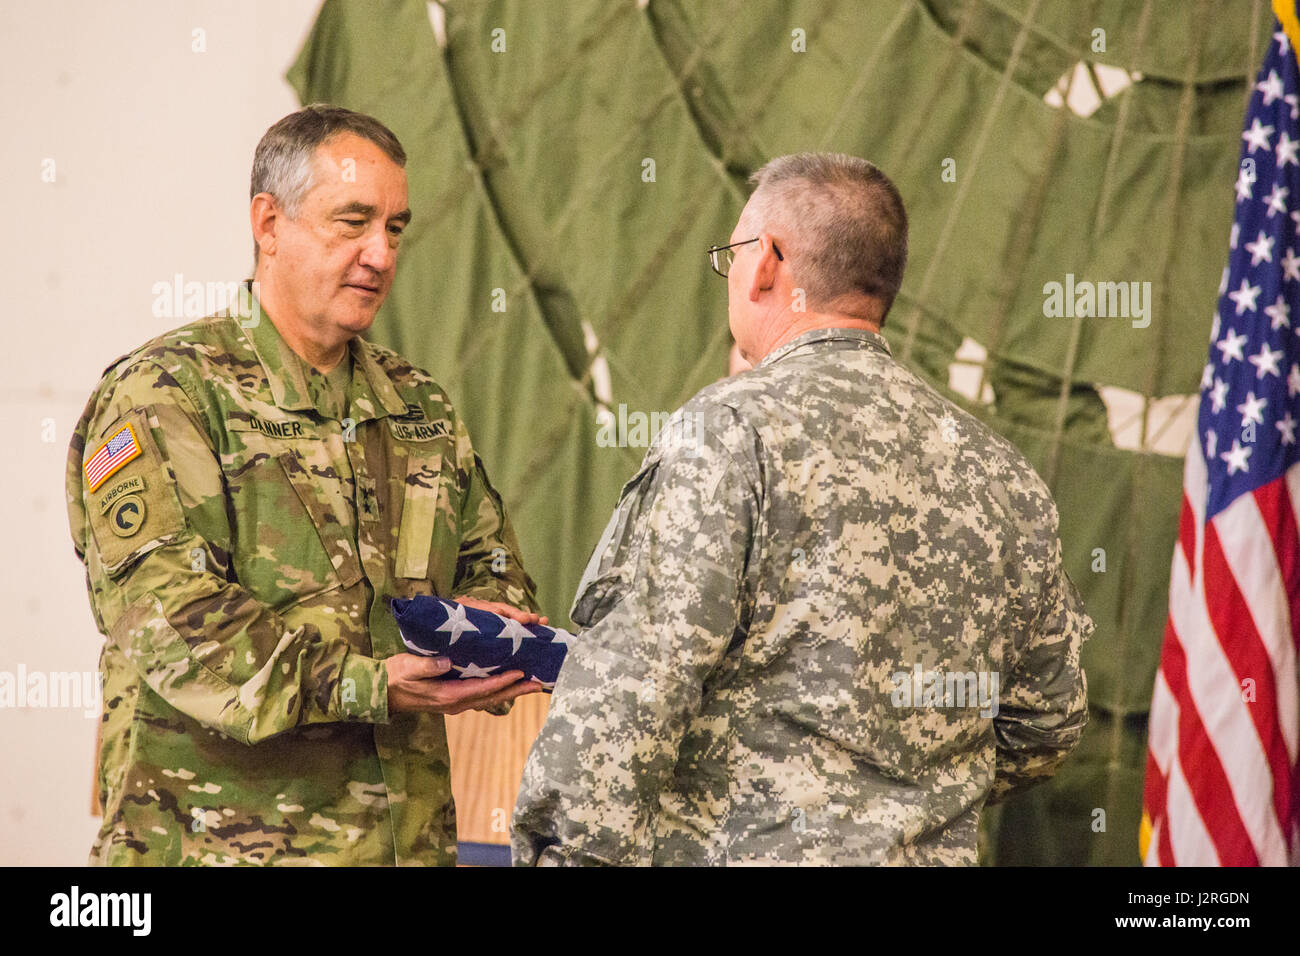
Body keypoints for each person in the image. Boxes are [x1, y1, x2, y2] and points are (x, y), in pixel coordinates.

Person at [512, 153, 1092, 865]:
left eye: (730, 256)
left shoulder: (728, 433)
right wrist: (904, 797)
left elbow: (629, 698)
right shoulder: (1005, 476)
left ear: (767, 263)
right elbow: (1047, 720)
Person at [66, 105, 546, 866]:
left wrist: (491, 638)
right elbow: (171, 622)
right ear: (269, 224)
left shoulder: (419, 406)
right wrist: (367, 685)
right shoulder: (166, 395)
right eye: (351, 221)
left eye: (394, 228)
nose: (379, 255)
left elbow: (493, 569)